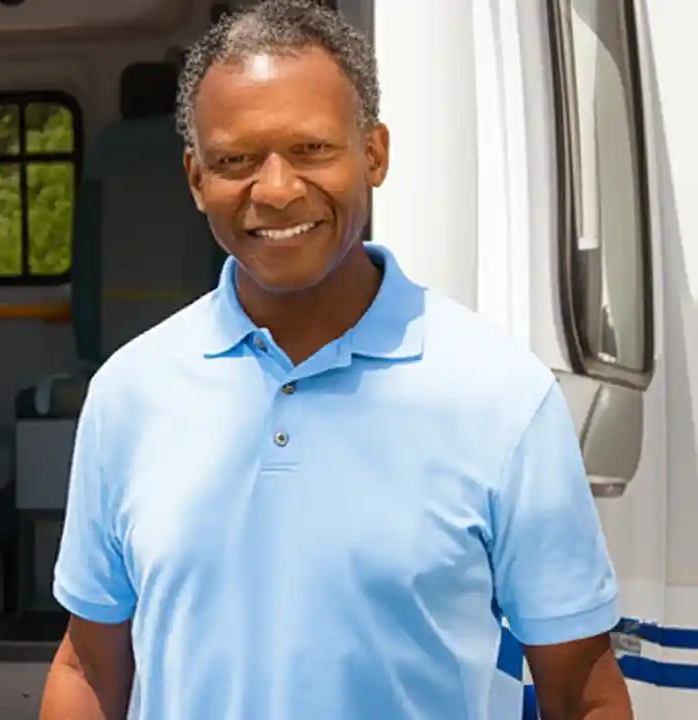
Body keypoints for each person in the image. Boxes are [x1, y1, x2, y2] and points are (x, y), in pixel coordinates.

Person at [38, 1, 633, 718]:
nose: (276, 189)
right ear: (196, 179)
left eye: (313, 149)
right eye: (235, 160)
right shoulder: (130, 395)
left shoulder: (501, 397)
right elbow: (88, 667)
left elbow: (580, 690)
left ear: (374, 154)